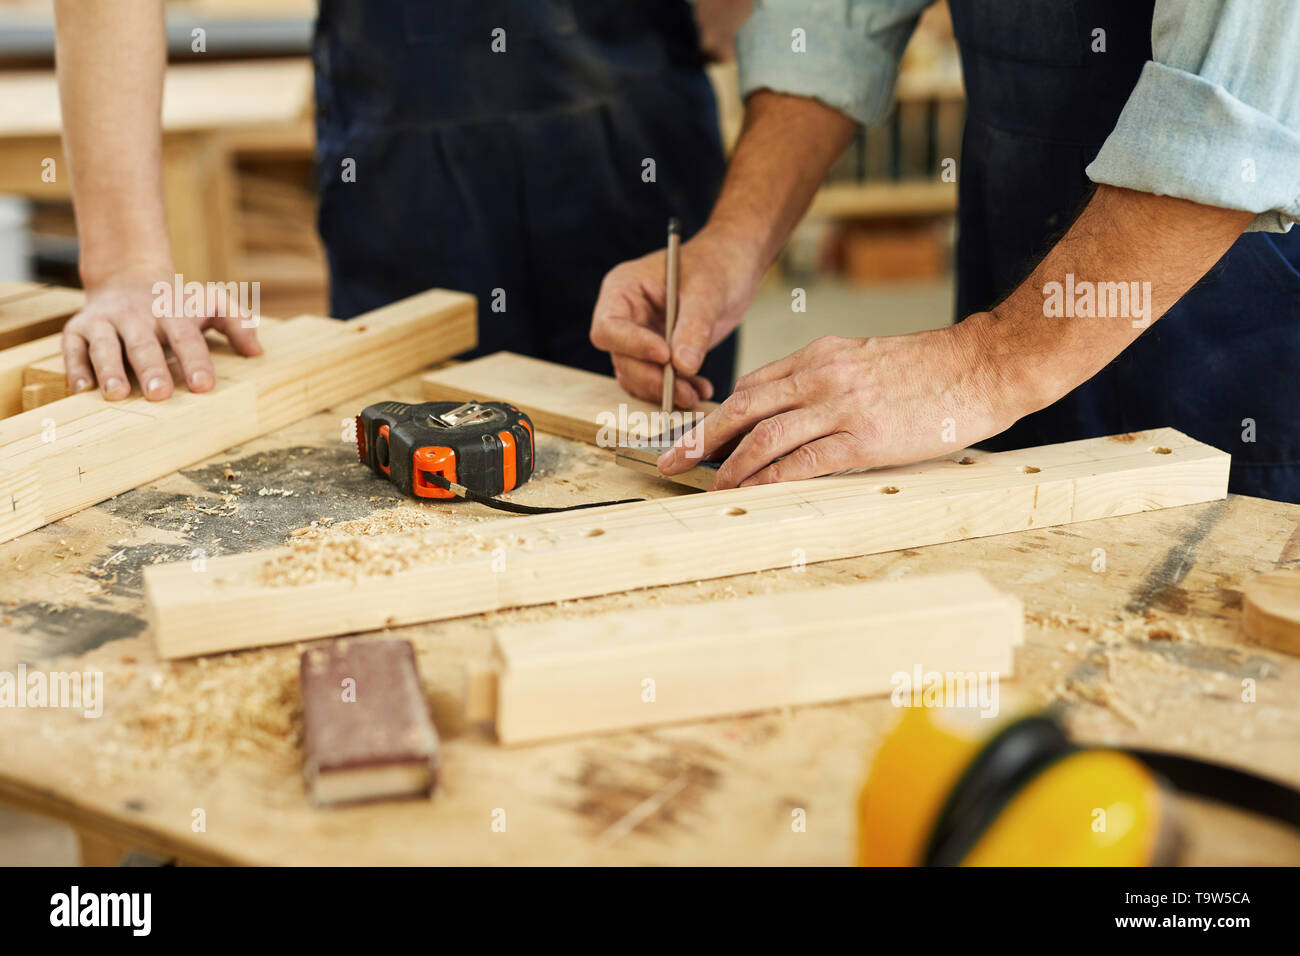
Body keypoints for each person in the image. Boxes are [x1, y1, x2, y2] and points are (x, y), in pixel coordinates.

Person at [590, 0, 1300, 502]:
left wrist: (987, 364)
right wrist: (734, 243)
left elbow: (1233, 115)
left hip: (1245, 323)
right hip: (1015, 288)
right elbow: (829, 19)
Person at [51, 0, 743, 406]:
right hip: (404, 161)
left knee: (662, 469)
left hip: (639, 141)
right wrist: (126, 263)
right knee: (417, 484)